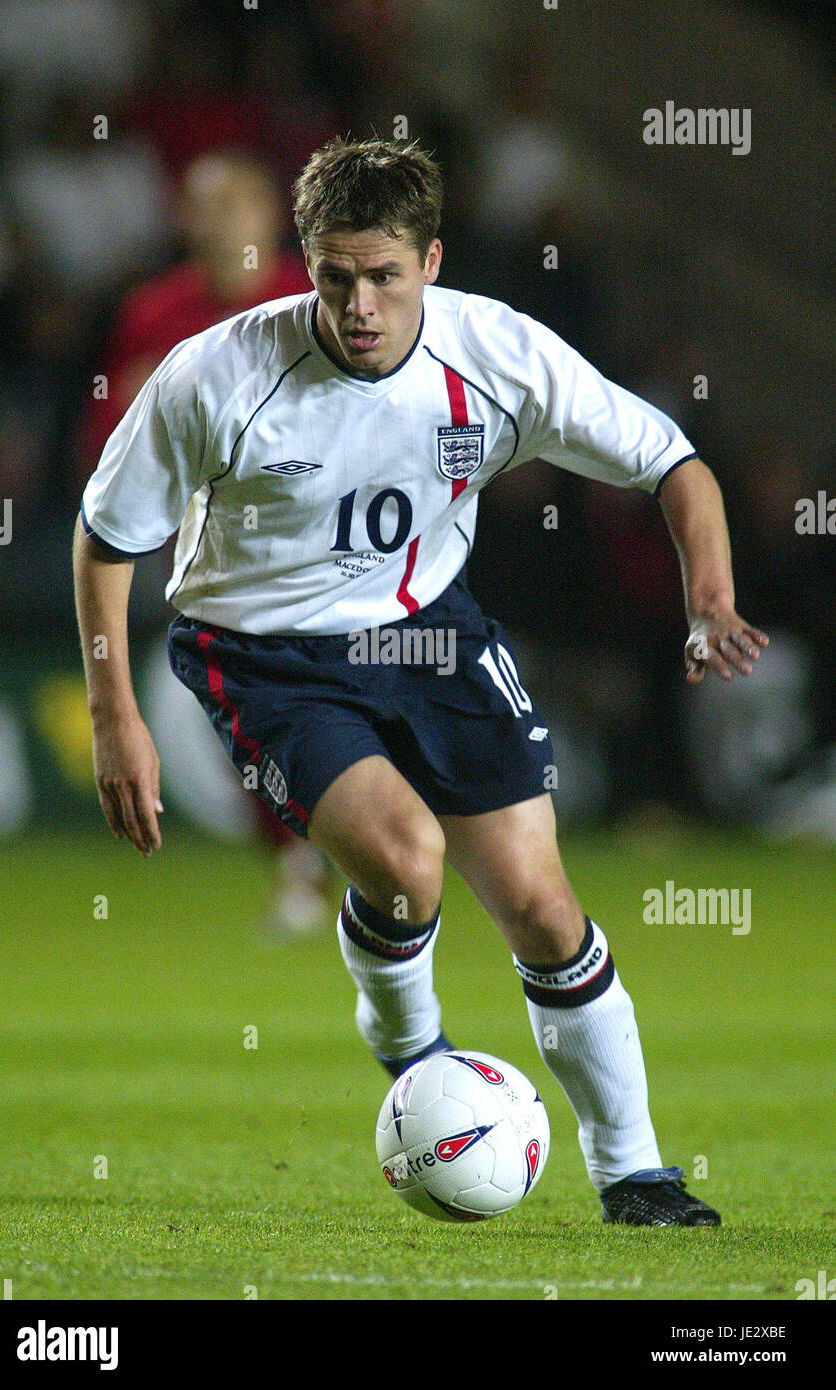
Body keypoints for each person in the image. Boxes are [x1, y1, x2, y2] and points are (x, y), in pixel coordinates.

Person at [74, 138, 768, 1225]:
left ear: (430, 261)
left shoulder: (496, 352)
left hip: (427, 634)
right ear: (303, 262)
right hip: (262, 649)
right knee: (406, 862)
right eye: (334, 275)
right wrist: (114, 716)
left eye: (384, 275)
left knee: (543, 909)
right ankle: (410, 1044)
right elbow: (105, 537)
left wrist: (708, 601)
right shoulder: (215, 374)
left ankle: (636, 1175)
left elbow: (671, 462)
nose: (358, 304)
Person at [80, 150, 333, 935]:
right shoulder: (155, 311)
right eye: (205, 206)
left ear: (270, 214)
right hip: (211, 547)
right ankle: (304, 859)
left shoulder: (312, 295)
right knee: (246, 713)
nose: (222, 222)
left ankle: (345, 850)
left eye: (236, 204)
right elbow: (108, 440)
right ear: (184, 222)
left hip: (325, 538)